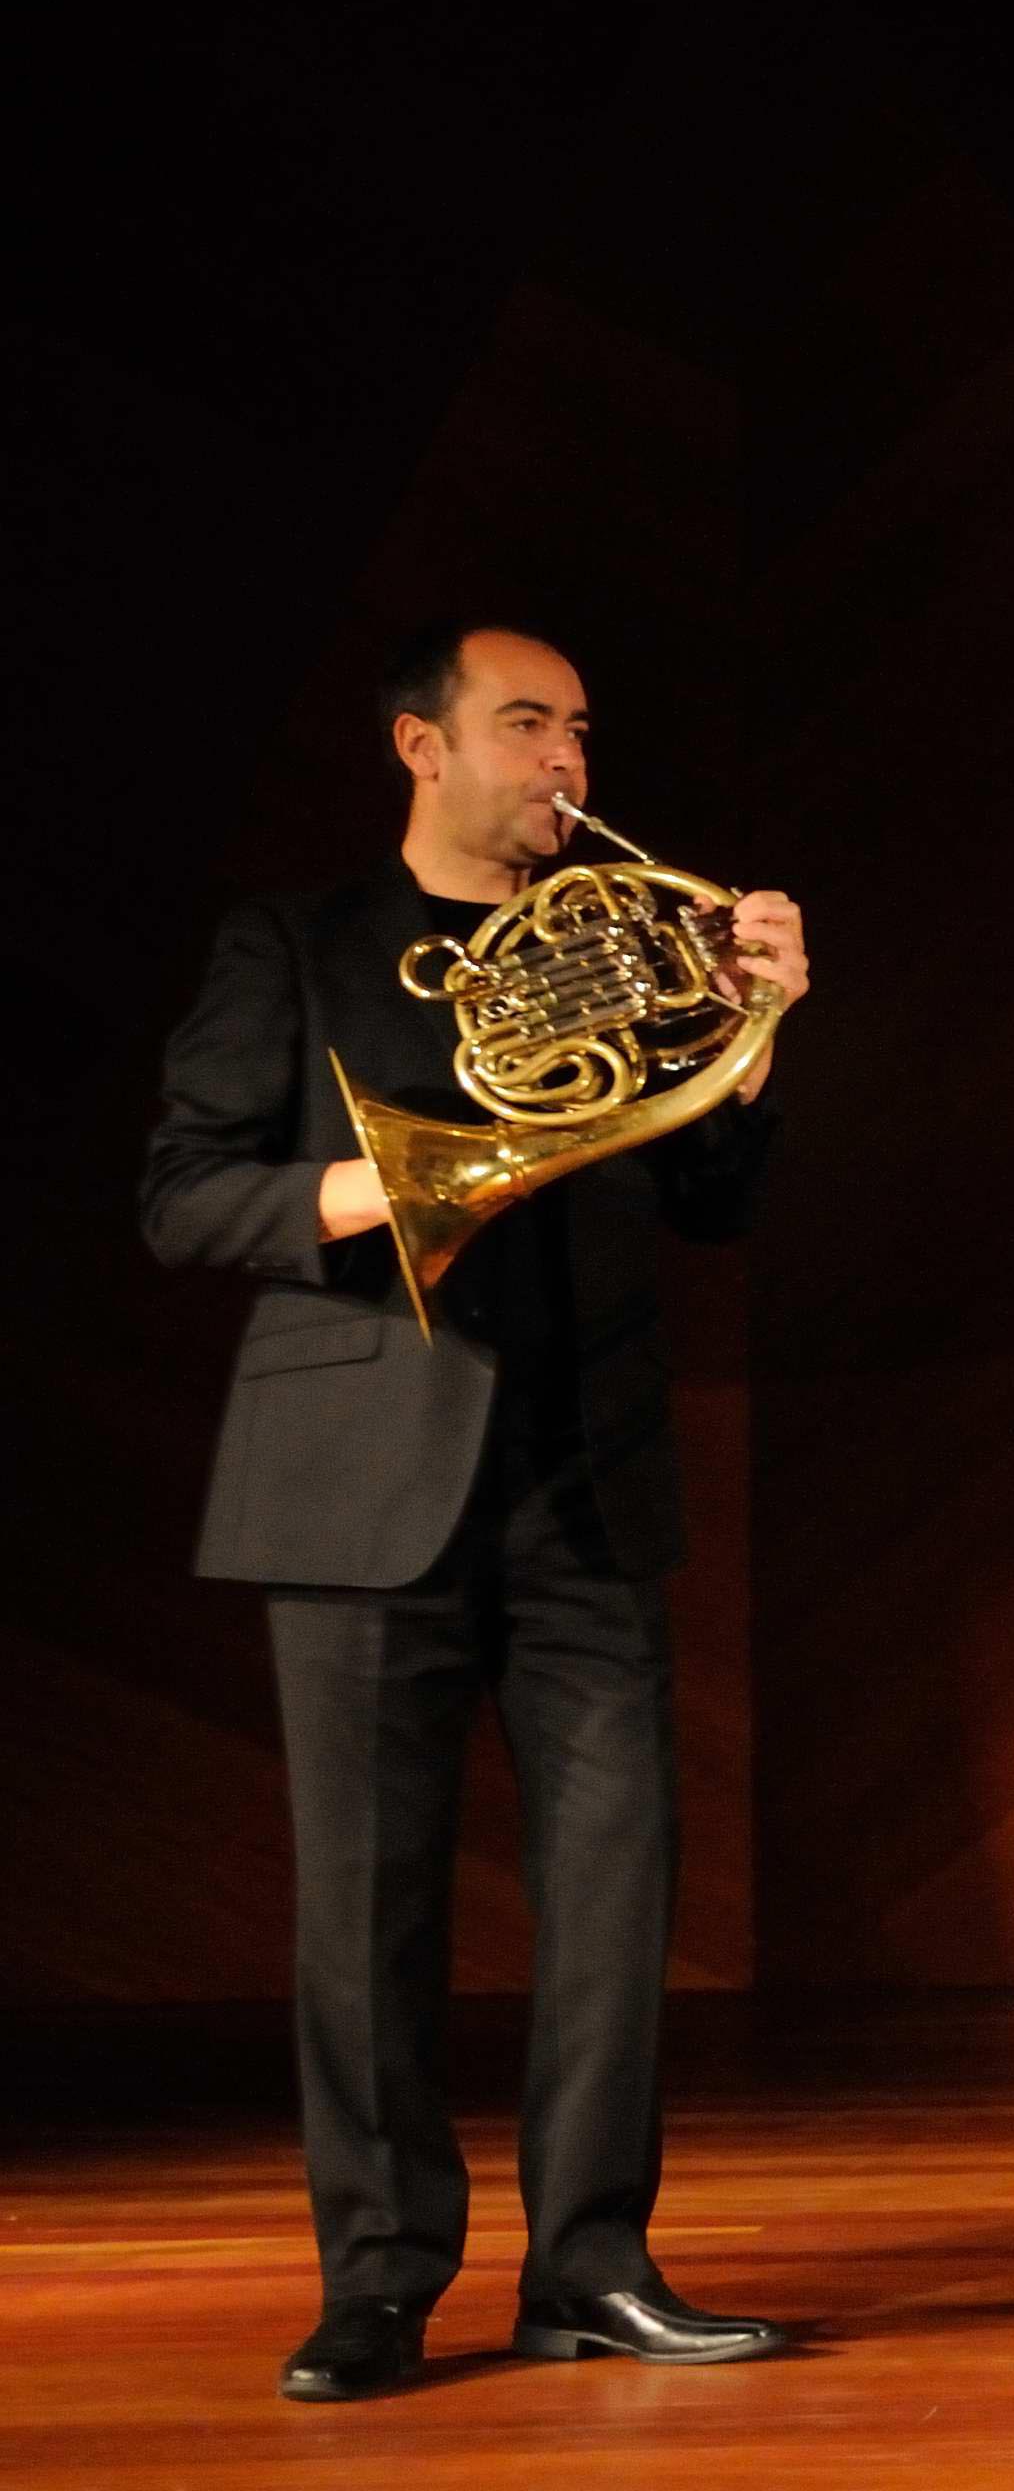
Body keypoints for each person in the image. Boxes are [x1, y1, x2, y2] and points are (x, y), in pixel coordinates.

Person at [142, 622, 811, 2401]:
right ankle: (379, 2279)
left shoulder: (646, 948)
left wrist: (751, 1032)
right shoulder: (293, 945)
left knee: (613, 1903)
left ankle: (591, 2265)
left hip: (585, 1480)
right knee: (365, 1918)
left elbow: (712, 1201)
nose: (565, 761)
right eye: (525, 725)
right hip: (360, 1483)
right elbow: (186, 1196)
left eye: (580, 729)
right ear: (418, 748)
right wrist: (405, 1183)